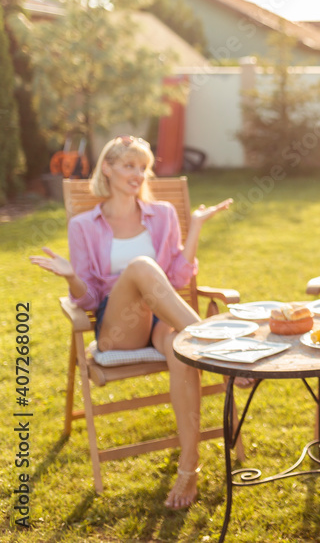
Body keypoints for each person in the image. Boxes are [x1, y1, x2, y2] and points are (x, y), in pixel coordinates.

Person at [30, 136, 232, 509]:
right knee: (140, 266)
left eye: (142, 167)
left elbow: (174, 277)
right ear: (106, 168)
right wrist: (71, 277)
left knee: (179, 349)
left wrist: (197, 227)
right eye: (128, 165)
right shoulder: (83, 225)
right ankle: (221, 348)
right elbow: (88, 298)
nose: (138, 174)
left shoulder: (164, 214)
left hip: (158, 320)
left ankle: (190, 468)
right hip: (117, 326)